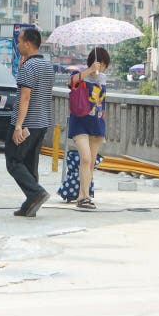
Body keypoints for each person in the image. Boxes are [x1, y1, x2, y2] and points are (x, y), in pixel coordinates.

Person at [5, 28, 55, 217]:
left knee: (13, 161)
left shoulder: (29, 68)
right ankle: (30, 205)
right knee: (29, 163)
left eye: (19, 41)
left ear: (27, 43)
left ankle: (36, 193)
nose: (17, 45)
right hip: (41, 122)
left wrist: (18, 126)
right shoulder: (47, 65)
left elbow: (25, 98)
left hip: (26, 123)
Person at [67, 47, 109, 210]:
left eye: (105, 65)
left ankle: (84, 196)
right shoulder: (80, 75)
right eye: (101, 63)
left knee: (91, 162)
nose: (102, 68)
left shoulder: (103, 78)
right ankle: (83, 196)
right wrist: (89, 70)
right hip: (80, 122)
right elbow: (70, 83)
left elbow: (102, 101)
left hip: (97, 122)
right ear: (94, 61)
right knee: (85, 158)